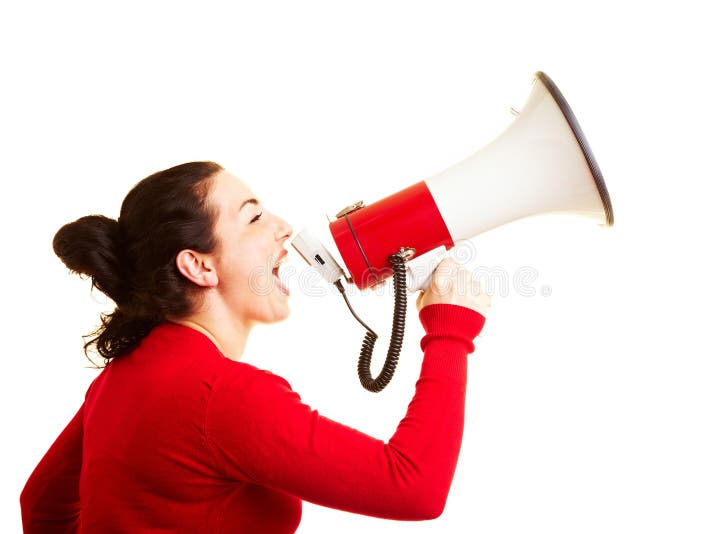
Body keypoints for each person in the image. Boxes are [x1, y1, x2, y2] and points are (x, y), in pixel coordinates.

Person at [19, 161, 491, 533]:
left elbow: (41, 504)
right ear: (199, 266)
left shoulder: (124, 374)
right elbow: (414, 487)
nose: (283, 227)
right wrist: (450, 330)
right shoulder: (224, 396)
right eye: (255, 217)